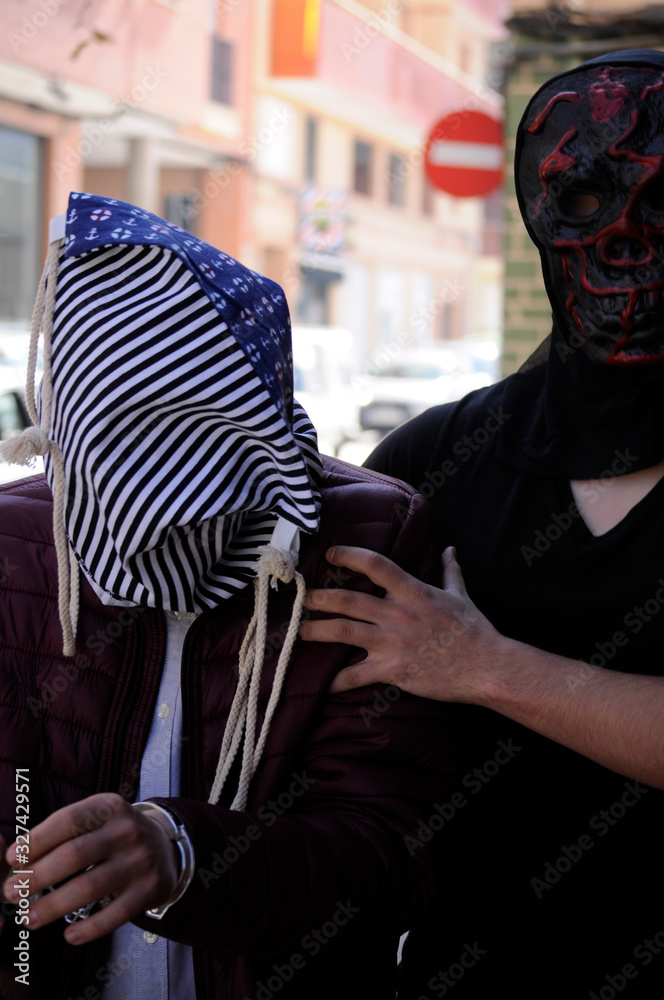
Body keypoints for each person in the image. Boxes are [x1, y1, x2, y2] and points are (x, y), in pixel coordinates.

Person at [0, 192, 455, 1000]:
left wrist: (185, 853)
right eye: (114, 458)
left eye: (185, 468)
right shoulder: (15, 545)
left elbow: (393, 856)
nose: (145, 519)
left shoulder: (368, 544)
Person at [300, 50, 664, 999]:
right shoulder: (439, 457)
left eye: (663, 205)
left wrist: (482, 666)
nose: (627, 238)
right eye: (585, 198)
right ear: (539, 217)